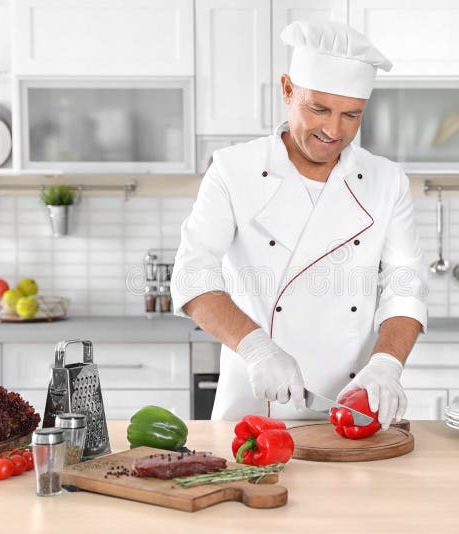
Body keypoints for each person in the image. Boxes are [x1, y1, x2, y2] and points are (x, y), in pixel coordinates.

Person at [172, 20, 428, 429]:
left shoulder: (387, 180)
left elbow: (406, 283)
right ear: (287, 89)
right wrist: (257, 349)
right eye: (319, 109)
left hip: (349, 412)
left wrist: (386, 364)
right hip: (255, 412)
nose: (333, 130)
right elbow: (192, 275)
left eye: (351, 115)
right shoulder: (232, 170)